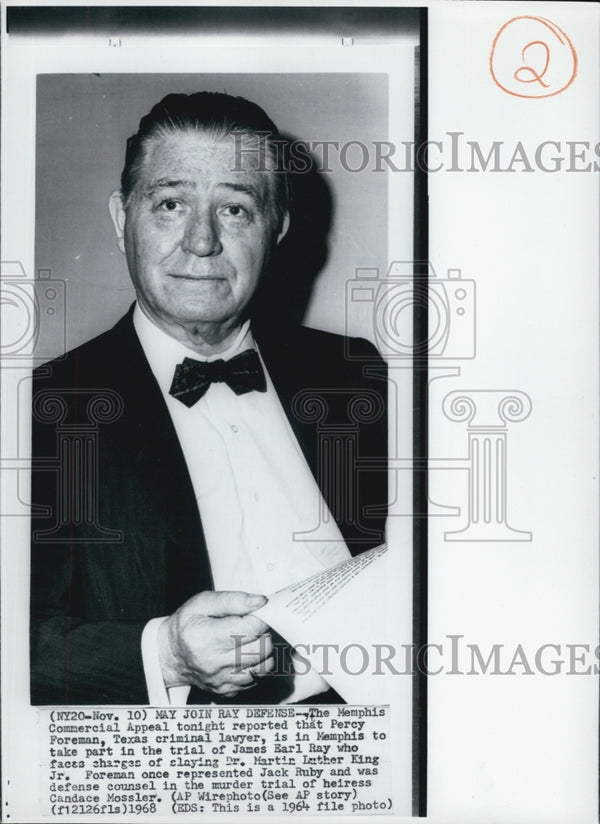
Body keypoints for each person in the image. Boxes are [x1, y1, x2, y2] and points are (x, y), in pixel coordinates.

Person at [30, 91, 387, 705]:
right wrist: (163, 652)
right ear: (122, 219)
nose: (201, 241)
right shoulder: (38, 410)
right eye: (170, 204)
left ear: (278, 226)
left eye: (236, 209)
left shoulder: (355, 375)